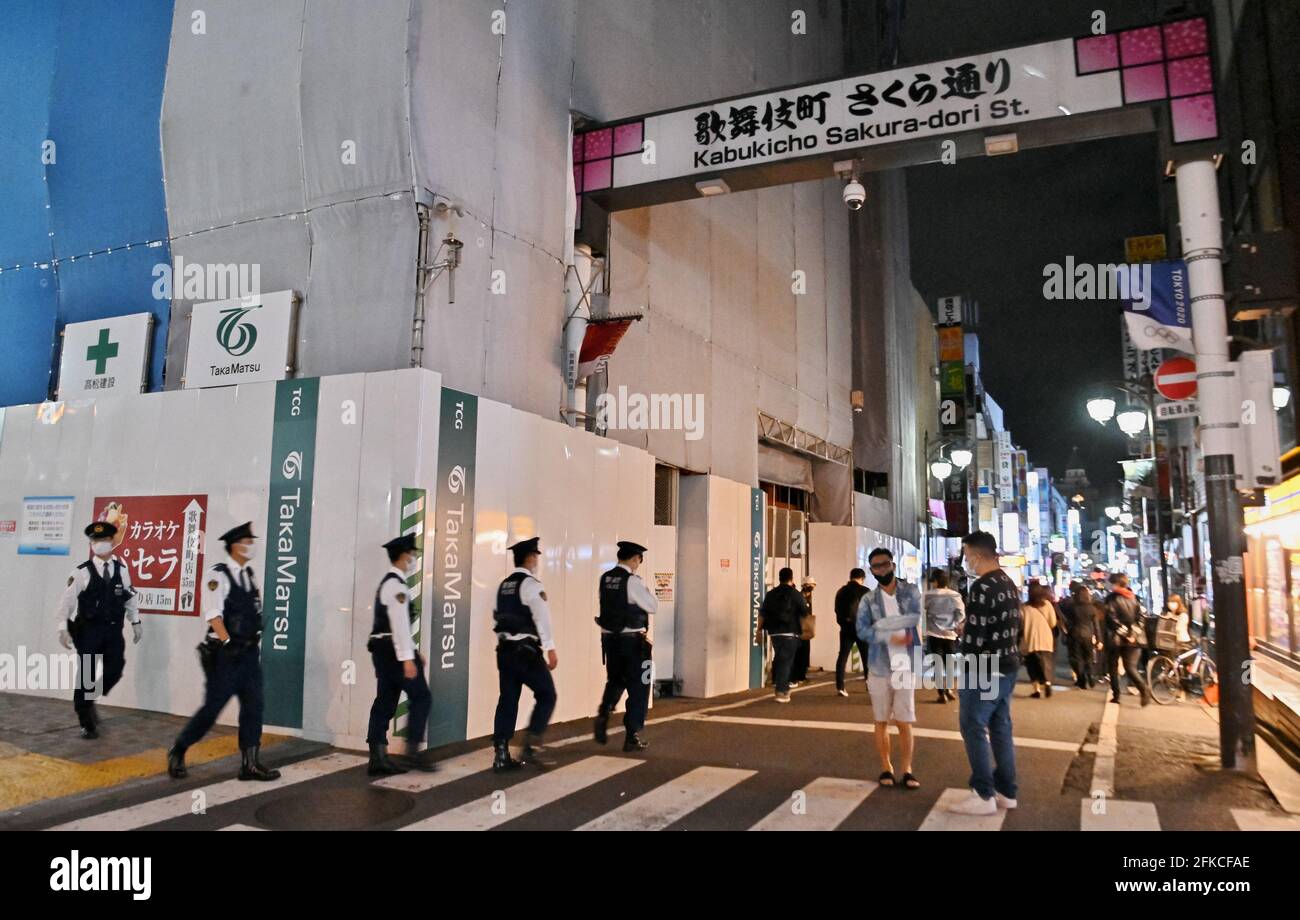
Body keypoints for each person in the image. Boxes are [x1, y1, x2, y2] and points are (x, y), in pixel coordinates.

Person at [168, 522, 280, 781]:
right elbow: (214, 616)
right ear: (234, 545)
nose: (251, 546)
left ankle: (250, 763)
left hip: (250, 654)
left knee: (254, 706)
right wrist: (229, 645)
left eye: (251, 542)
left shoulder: (248, 574)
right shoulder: (217, 575)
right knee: (212, 709)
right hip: (227, 655)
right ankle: (179, 748)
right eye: (247, 542)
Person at [949, 530, 1020, 816]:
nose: (967, 562)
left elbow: (976, 639)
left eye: (967, 557)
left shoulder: (981, 587)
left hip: (984, 669)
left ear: (977, 555)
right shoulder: (1008, 583)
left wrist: (960, 670)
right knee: (1001, 727)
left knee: (973, 726)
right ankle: (1007, 790)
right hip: (1008, 665)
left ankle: (983, 793)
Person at [56, 521, 144, 739]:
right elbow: (66, 602)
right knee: (86, 674)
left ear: (112, 541)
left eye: (103, 540)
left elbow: (129, 597)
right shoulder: (81, 572)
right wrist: (62, 627)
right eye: (95, 541)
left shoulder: (122, 571)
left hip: (113, 631)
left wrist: (135, 621)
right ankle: (86, 720)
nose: (99, 544)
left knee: (115, 669)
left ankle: (89, 697)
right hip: (88, 631)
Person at [364, 534, 435, 777]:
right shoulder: (396, 586)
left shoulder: (389, 583)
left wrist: (413, 653)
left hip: (384, 650)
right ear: (404, 556)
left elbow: (394, 626)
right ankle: (412, 751)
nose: (414, 558)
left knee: (385, 700)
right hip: (393, 652)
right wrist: (407, 658)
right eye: (412, 554)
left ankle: (378, 756)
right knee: (422, 696)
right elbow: (399, 625)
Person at [855, 548, 922, 790]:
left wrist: (882, 625)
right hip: (879, 665)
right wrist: (889, 635)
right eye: (876, 567)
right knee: (881, 719)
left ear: (893, 564)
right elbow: (861, 630)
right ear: (871, 571)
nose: (881, 569)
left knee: (905, 720)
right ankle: (886, 767)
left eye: (884, 564)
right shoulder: (868, 600)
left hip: (905, 664)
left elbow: (914, 619)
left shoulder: (910, 592)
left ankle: (907, 769)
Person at [491, 537, 559, 771]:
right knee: (547, 694)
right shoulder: (532, 585)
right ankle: (531, 745)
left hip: (504, 651)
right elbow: (542, 617)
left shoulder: (504, 586)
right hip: (526, 652)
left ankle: (501, 753)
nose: (536, 561)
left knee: (508, 699)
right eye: (536, 557)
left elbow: (499, 616)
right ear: (530, 558)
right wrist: (550, 647)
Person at [593, 540, 658, 752]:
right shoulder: (632, 581)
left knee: (616, 680)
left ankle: (604, 711)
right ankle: (632, 735)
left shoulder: (605, 578)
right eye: (638, 560)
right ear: (634, 559)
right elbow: (652, 606)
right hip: (633, 641)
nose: (638, 564)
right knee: (641, 686)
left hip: (610, 641)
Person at [1103, 572, 1152, 706]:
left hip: (1117, 639)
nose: (1110, 585)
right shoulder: (1134, 598)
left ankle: (1116, 695)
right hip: (1135, 640)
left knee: (1113, 667)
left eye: (1112, 583)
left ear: (1116, 584)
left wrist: (1125, 634)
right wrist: (1133, 634)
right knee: (1130, 667)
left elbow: (1111, 619)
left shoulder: (1112, 599)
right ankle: (1143, 689)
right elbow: (1141, 618)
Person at [759, 568, 806, 703]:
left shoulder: (771, 594)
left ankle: (781, 686)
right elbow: (804, 612)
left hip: (774, 633)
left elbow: (763, 613)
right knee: (786, 661)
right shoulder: (796, 594)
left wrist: (758, 630)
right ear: (791, 578)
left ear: (779, 578)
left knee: (781, 659)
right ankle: (781, 691)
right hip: (790, 632)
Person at [922, 568, 965, 704]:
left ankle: (942, 693)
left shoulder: (929, 595)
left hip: (934, 634)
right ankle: (949, 689)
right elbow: (961, 613)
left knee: (938, 665)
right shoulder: (955, 595)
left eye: (933, 581)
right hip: (950, 635)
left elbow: (922, 611)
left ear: (936, 581)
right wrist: (954, 623)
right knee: (950, 664)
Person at [833, 568, 871, 697]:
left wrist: (843, 623)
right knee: (866, 658)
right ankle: (869, 684)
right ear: (862, 578)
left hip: (846, 629)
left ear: (850, 577)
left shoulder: (841, 591)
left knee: (842, 656)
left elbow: (837, 610)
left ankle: (840, 687)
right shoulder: (866, 592)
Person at [1020, 582, 1058, 698]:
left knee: (1031, 665)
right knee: (1046, 663)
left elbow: (1020, 625)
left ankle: (1036, 690)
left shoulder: (1024, 608)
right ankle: (1047, 682)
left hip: (1029, 639)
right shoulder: (1047, 605)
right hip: (1045, 639)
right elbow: (1053, 622)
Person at [1063, 582, 1101, 689]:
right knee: (1088, 658)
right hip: (1088, 635)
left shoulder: (1072, 607)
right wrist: (1099, 639)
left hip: (1075, 634)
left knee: (1077, 658)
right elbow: (1096, 625)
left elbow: (1068, 621)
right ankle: (1090, 676)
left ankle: (1082, 680)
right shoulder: (1092, 608)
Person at [789, 576, 816, 685]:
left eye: (813, 585)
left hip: (805, 629)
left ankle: (802, 676)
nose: (812, 587)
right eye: (810, 585)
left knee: (805, 653)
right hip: (799, 628)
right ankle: (797, 676)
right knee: (799, 653)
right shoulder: (800, 597)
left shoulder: (809, 598)